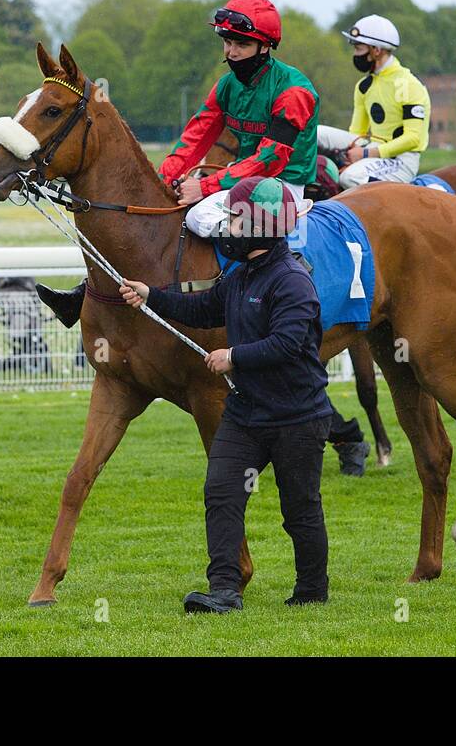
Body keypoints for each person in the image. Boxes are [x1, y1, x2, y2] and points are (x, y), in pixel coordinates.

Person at [118, 176, 334, 614]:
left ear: (258, 227)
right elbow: (201, 308)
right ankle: (224, 591)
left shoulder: (291, 280)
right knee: (222, 492)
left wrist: (234, 356)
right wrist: (150, 297)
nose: (226, 227)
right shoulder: (240, 276)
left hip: (297, 417)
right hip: (246, 414)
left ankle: (312, 590)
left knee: (299, 510)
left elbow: (289, 343)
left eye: (234, 219)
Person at [37, 0, 319, 329]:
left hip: (281, 187)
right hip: (243, 182)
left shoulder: (293, 90)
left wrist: (205, 186)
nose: (230, 52)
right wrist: (163, 180)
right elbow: (196, 135)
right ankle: (92, 292)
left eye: (240, 44)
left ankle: (246, 289)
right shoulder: (228, 85)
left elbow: (271, 159)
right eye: (227, 42)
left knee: (199, 216)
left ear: (265, 46)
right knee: (164, 210)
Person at [316, 14, 431, 189]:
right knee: (316, 133)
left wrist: (367, 154)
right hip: (373, 148)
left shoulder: (408, 84)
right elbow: (356, 134)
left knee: (349, 178)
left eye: (359, 49)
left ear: (376, 50)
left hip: (401, 160)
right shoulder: (363, 86)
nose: (355, 54)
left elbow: (413, 138)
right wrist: (353, 152)